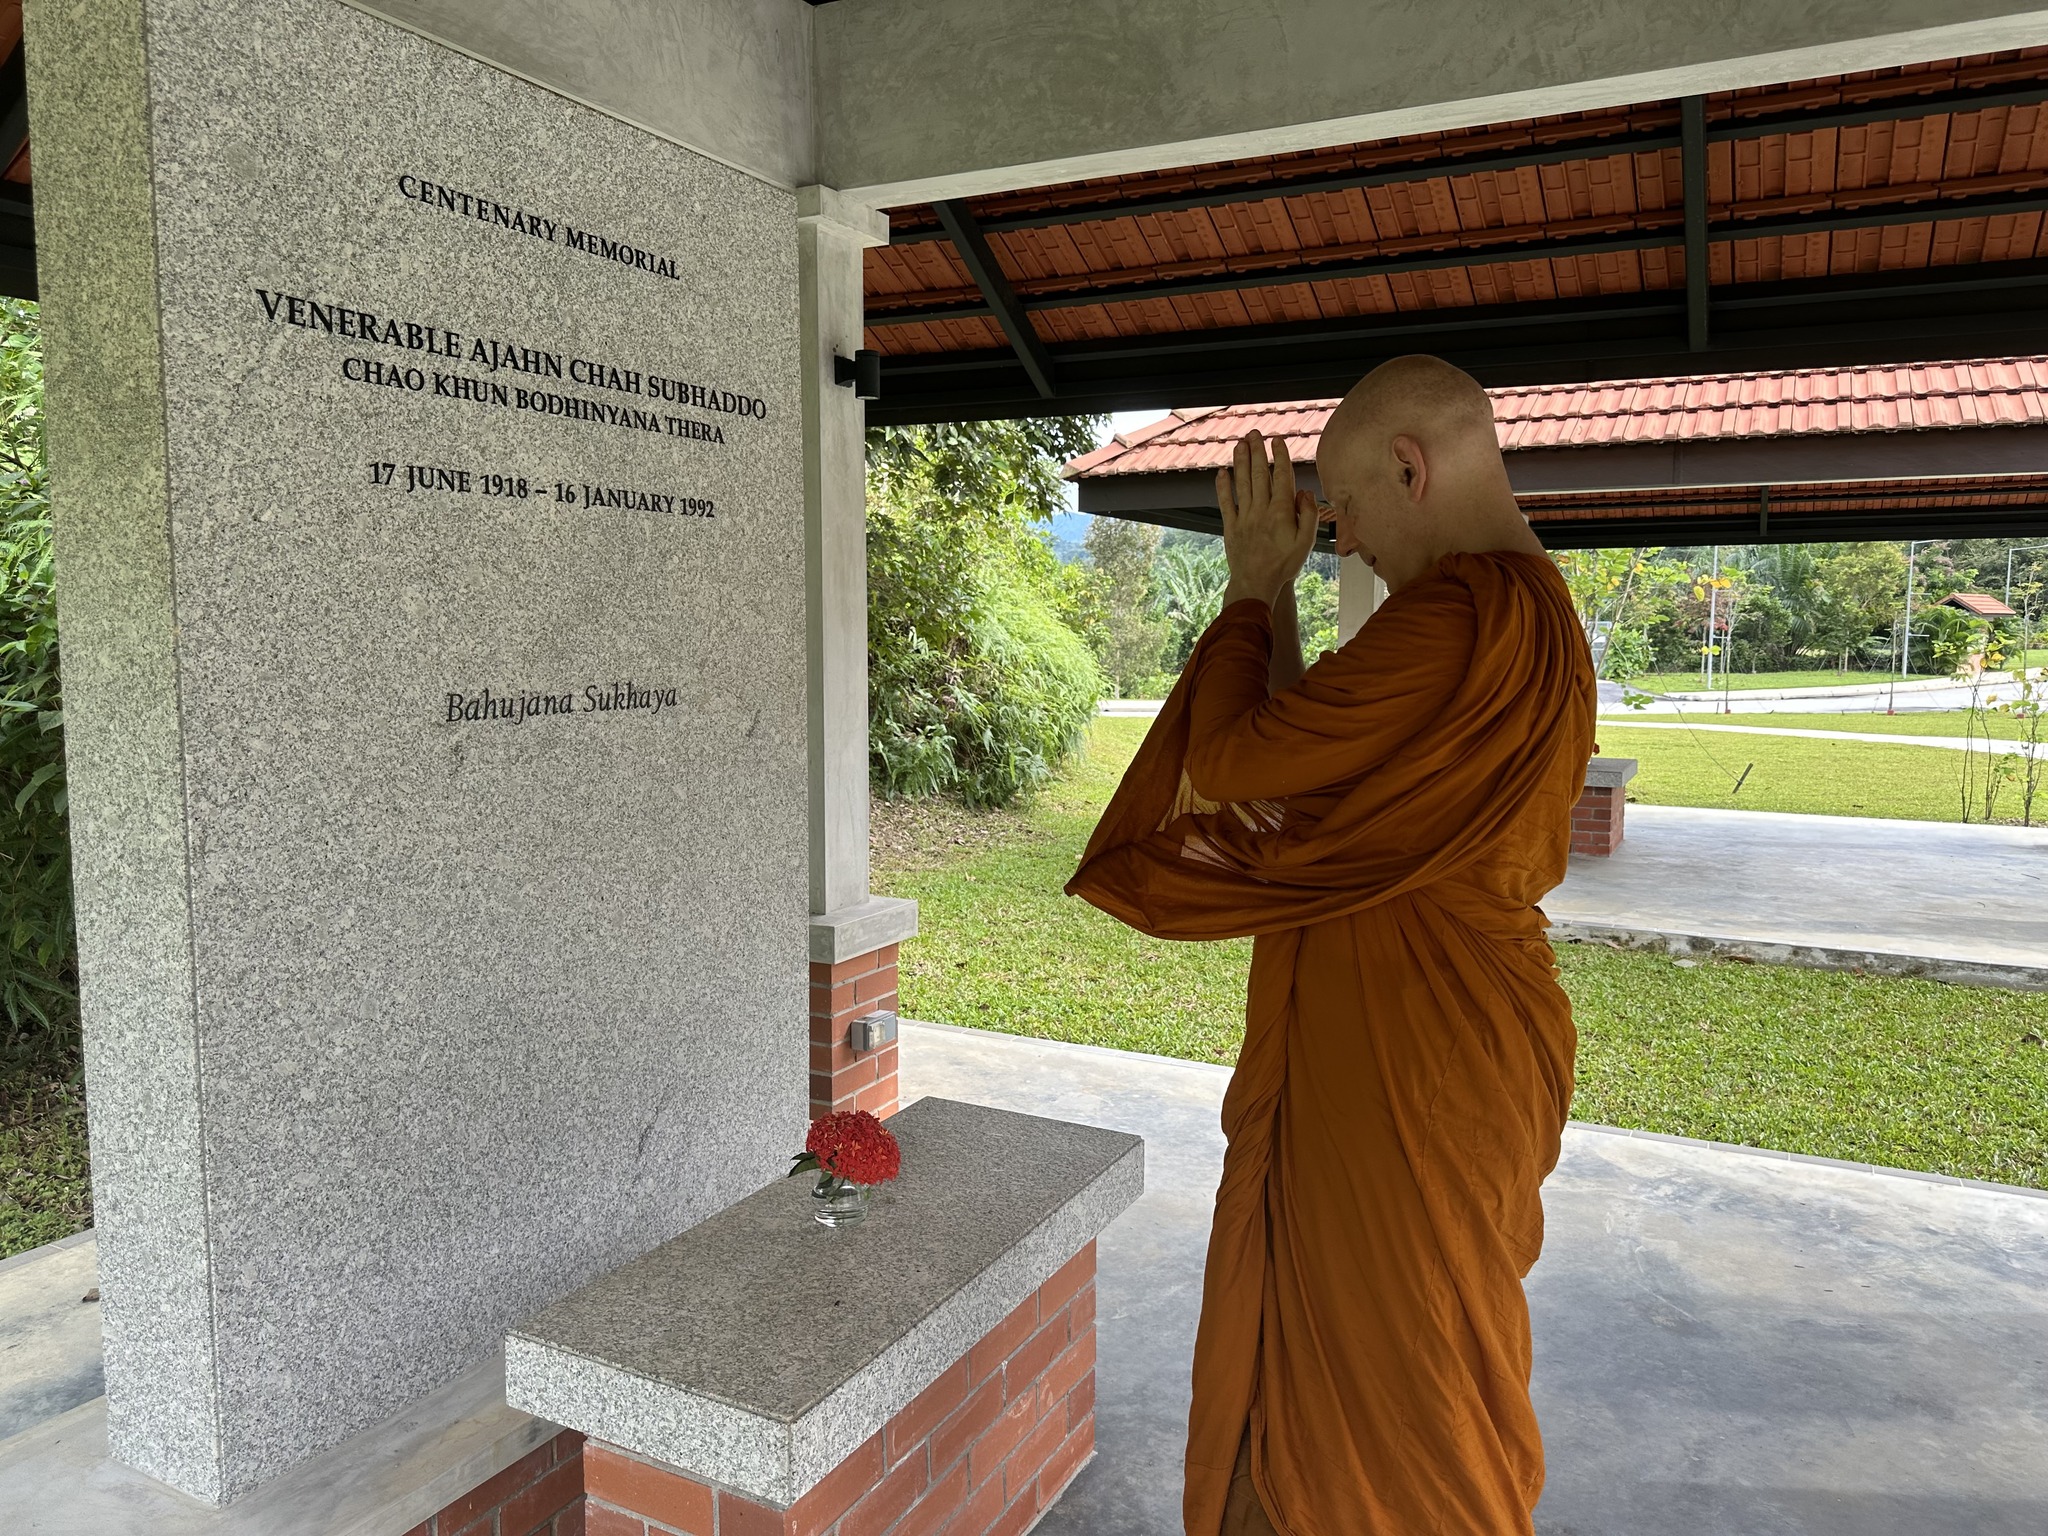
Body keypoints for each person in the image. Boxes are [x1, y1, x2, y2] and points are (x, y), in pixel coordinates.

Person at [1066, 355, 1596, 1536]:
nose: (1341, 541)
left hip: (1410, 1060)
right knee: (1398, 1350)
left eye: (1343, 511)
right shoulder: (1530, 617)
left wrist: (1253, 588)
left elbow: (1233, 767)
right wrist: (1275, 602)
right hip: (1438, 1038)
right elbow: (1303, 778)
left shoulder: (1463, 614)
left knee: (1401, 1368)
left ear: (1408, 468)